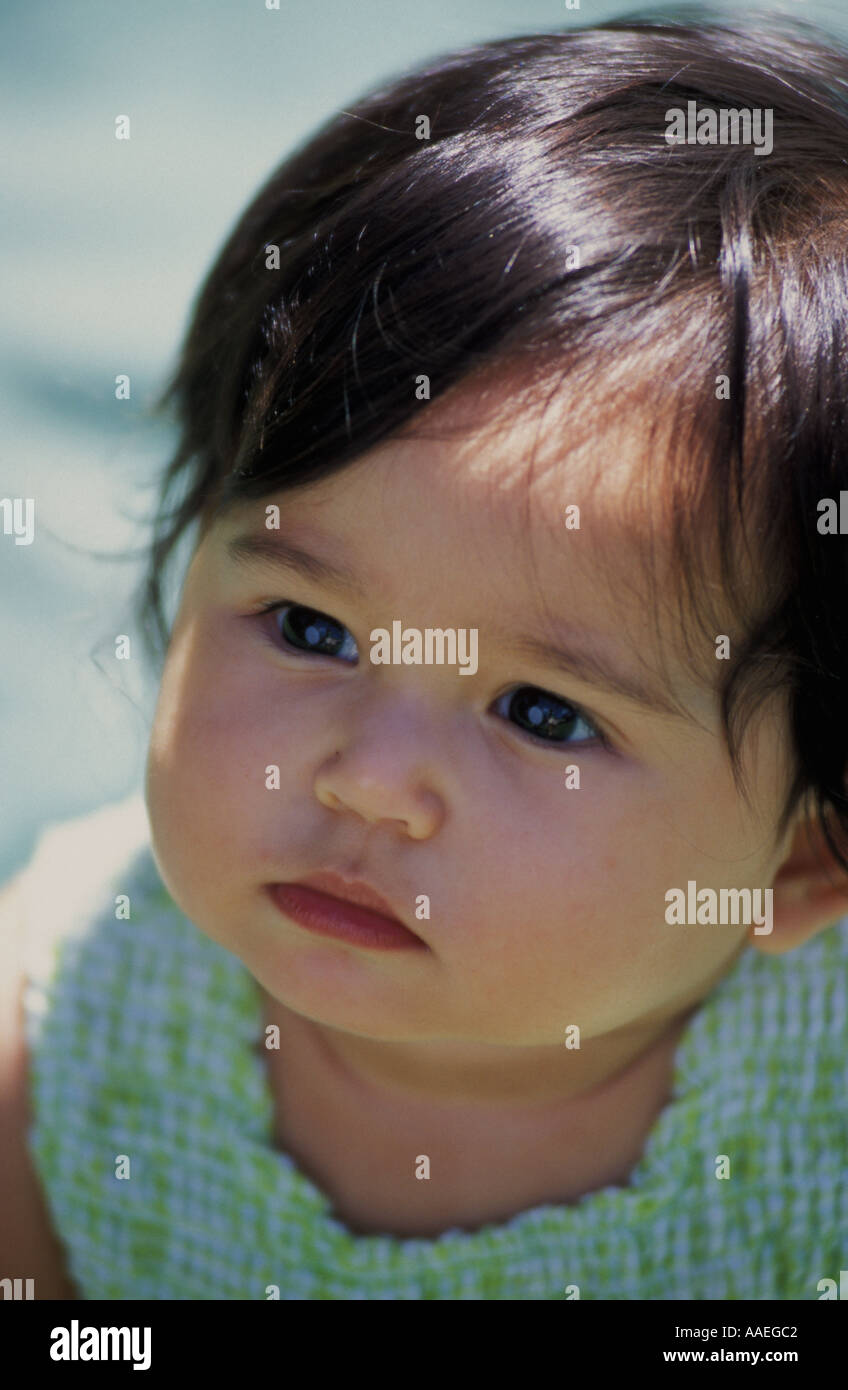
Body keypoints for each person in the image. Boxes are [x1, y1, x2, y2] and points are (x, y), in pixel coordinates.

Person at [3, 5, 848, 1300]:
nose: (366, 780)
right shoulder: (54, 1030)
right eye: (309, 628)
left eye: (544, 714)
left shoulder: (822, 1119)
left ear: (801, 858)